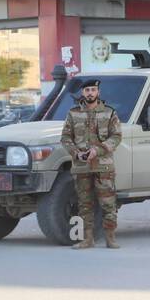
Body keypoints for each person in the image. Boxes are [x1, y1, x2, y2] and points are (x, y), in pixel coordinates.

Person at [59, 78, 122, 249]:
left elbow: (116, 137)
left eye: (93, 90)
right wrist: (76, 152)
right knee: (84, 204)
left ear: (98, 92)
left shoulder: (109, 113)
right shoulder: (73, 113)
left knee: (108, 203)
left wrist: (98, 150)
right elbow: (65, 137)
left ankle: (111, 238)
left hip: (103, 165)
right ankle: (87, 239)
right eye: (87, 90)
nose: (90, 93)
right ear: (82, 93)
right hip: (81, 166)